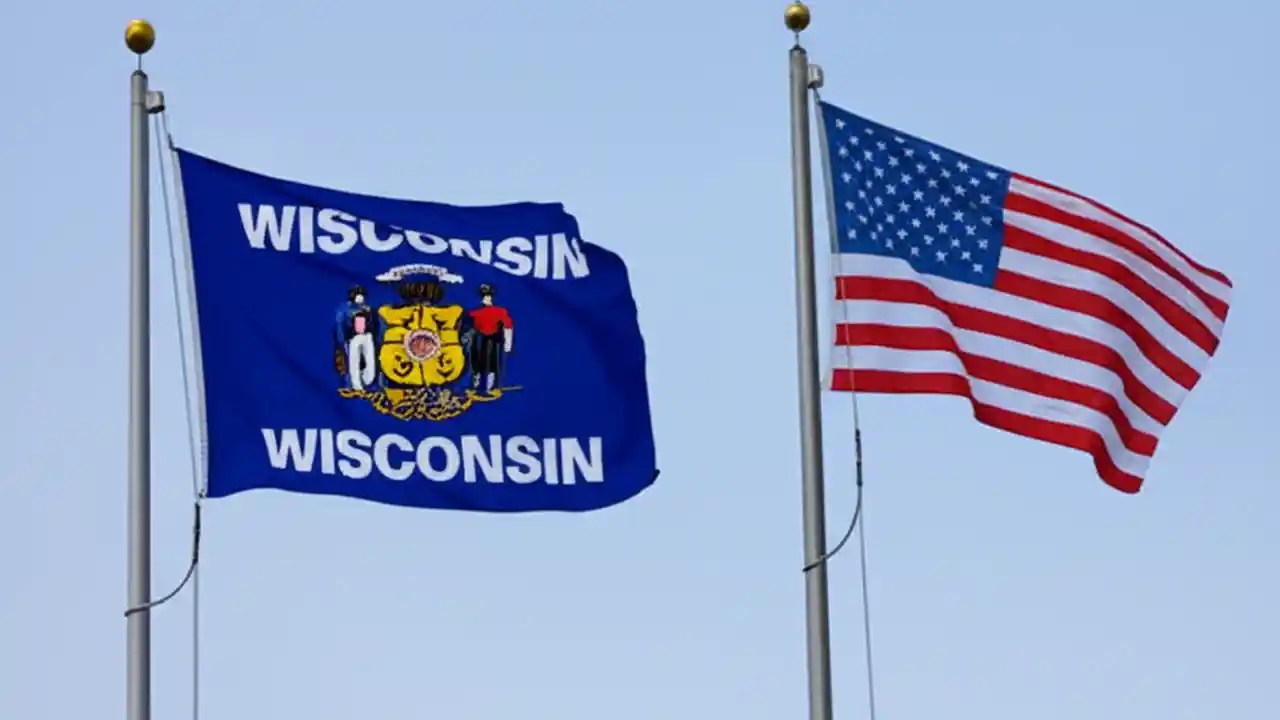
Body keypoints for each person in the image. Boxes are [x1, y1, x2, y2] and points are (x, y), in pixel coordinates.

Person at [465, 283, 514, 395]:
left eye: (488, 296)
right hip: (479, 339)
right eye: (484, 296)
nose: (485, 298)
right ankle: (475, 385)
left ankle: (491, 386)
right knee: (477, 362)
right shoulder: (474, 313)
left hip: (494, 339)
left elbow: (508, 326)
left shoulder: (500, 311)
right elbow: (468, 327)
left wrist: (508, 344)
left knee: (493, 362)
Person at [334, 284, 377, 390]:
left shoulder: (368, 309)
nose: (360, 297)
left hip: (367, 336)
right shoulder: (346, 309)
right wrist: (341, 340)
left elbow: (374, 324)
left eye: (362, 295)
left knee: (370, 361)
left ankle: (366, 380)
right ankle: (356, 385)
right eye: (358, 294)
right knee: (354, 361)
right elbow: (340, 324)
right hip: (353, 338)